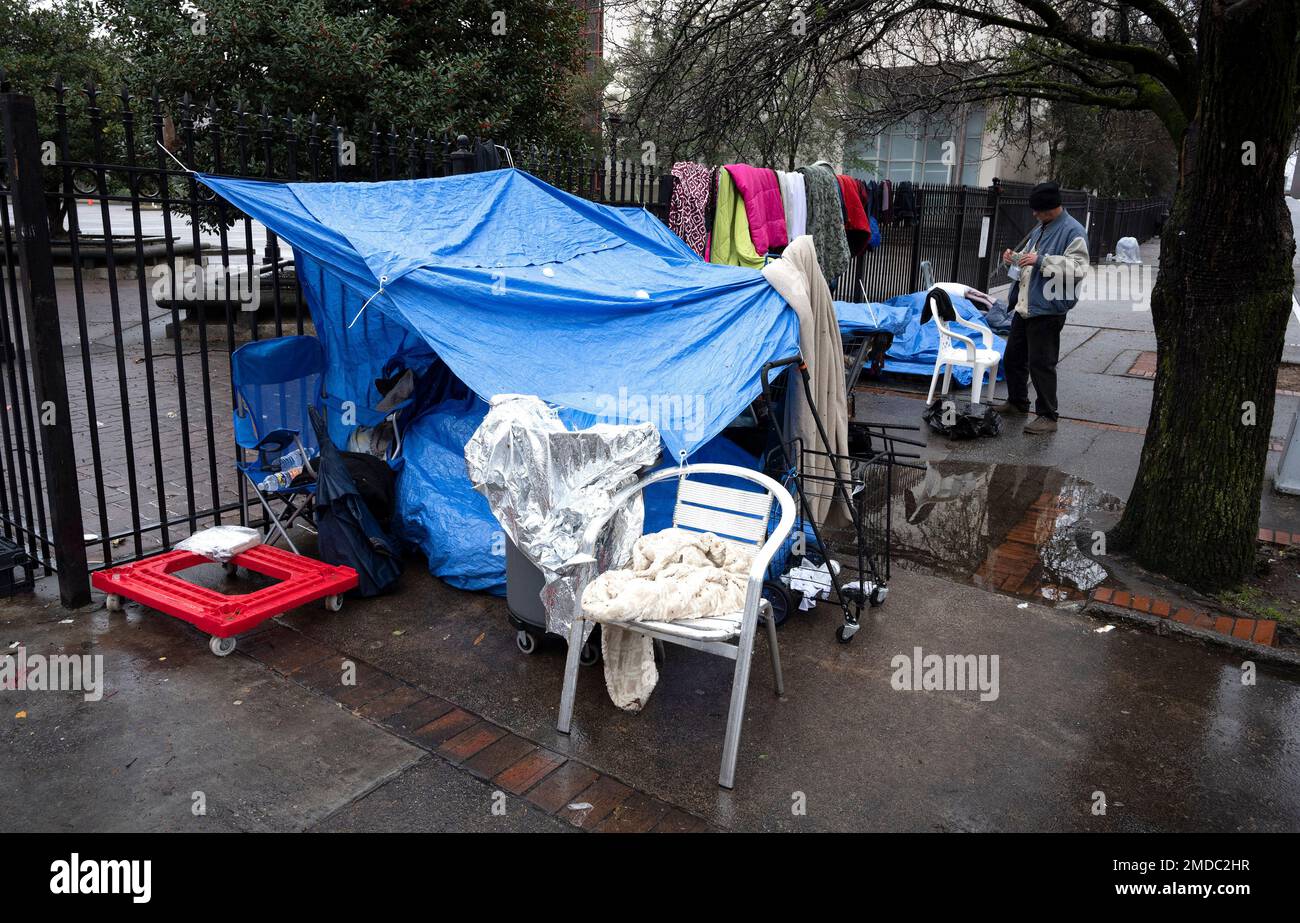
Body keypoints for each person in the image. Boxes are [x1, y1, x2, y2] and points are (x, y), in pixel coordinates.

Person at [993, 181, 1090, 435]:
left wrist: (1041, 260)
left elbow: (1078, 268)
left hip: (1048, 309)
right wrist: (1013, 259)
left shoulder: (1073, 231)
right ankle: (1018, 402)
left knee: (1041, 363)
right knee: (1013, 357)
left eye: (1037, 209)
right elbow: (1029, 260)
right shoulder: (1042, 227)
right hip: (1027, 306)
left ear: (1050, 208)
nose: (1034, 214)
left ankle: (1048, 415)